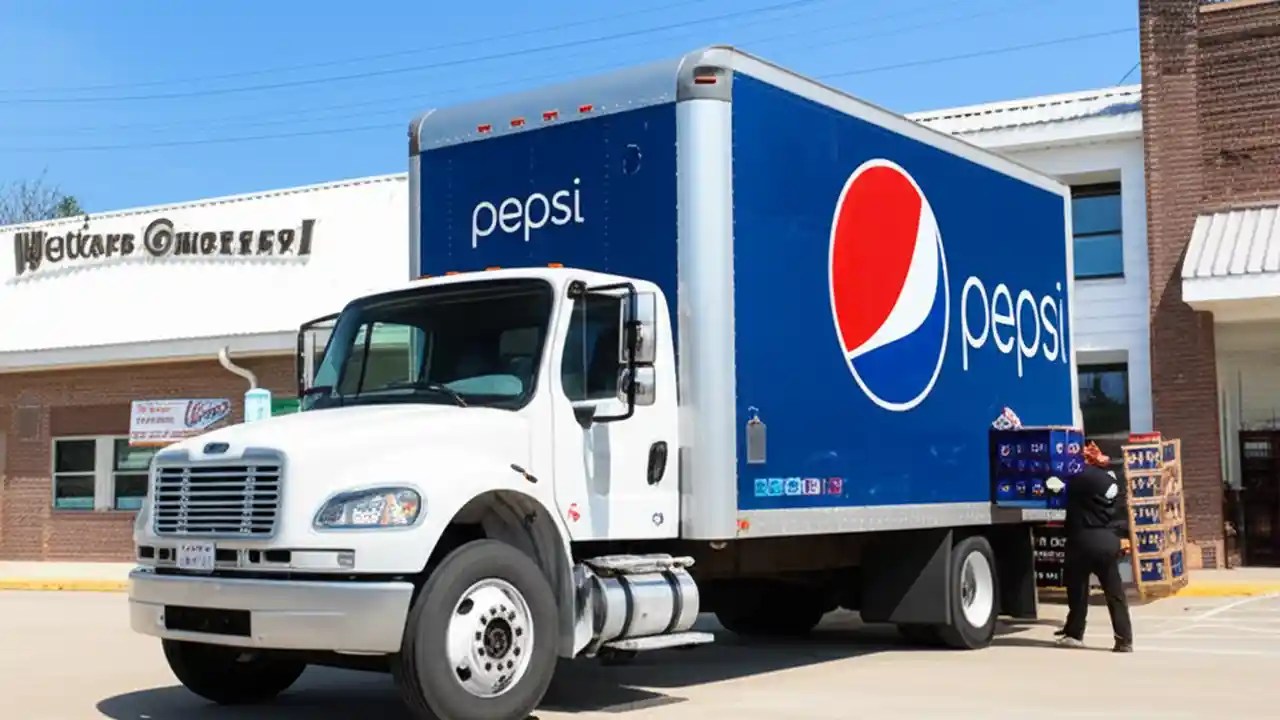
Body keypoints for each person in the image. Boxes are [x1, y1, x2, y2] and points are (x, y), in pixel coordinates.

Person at [1051, 441, 1134, 652]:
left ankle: (1075, 633)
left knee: (1078, 590)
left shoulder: (1081, 479)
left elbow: (1057, 488)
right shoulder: (1111, 479)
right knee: (1114, 592)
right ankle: (1124, 639)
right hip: (1107, 539)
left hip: (1083, 539)